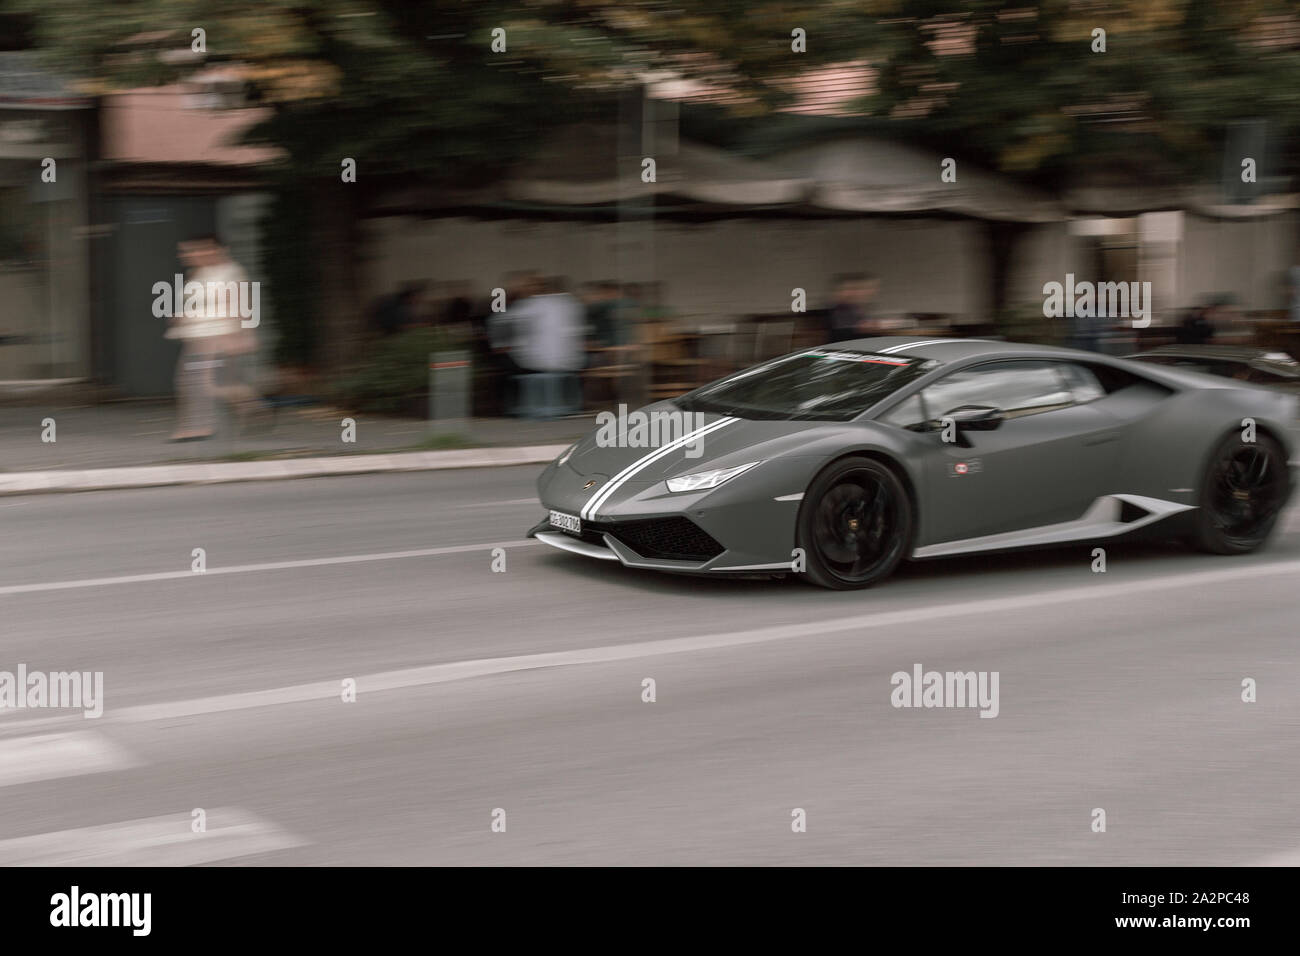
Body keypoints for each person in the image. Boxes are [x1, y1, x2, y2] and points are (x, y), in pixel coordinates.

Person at [165, 234, 254, 441]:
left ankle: (199, 426)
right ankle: (250, 406)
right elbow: (197, 303)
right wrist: (182, 316)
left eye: (195, 250)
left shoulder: (231, 272)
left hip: (219, 335)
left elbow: (242, 305)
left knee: (202, 382)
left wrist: (242, 335)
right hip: (197, 335)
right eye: (186, 252)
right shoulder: (198, 273)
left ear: (213, 249)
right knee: (192, 381)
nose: (188, 255)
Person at [826, 273, 883, 342]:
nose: (853, 293)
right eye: (849, 289)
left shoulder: (855, 307)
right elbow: (846, 330)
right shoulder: (839, 308)